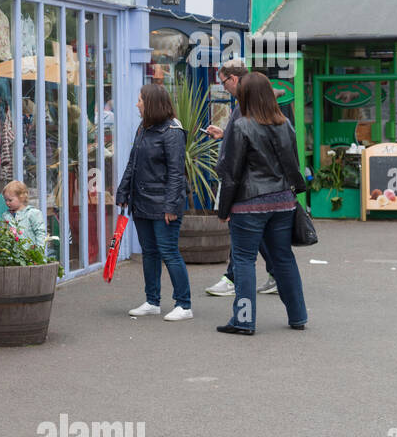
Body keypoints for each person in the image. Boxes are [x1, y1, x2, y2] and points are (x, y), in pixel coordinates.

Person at [214, 73, 308, 335]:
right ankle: (298, 316)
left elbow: (231, 172)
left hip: (249, 204)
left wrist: (224, 210)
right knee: (283, 258)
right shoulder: (284, 124)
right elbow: (293, 165)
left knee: (244, 260)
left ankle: (243, 320)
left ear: (246, 96)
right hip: (282, 202)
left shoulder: (241, 125)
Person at [116, 83, 193, 321]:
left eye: (140, 99)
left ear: (150, 103)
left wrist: (171, 207)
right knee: (149, 252)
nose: (136, 103)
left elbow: (176, 173)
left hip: (163, 204)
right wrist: (123, 193)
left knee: (169, 252)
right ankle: (152, 301)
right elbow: (133, 163)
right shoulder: (144, 128)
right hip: (142, 202)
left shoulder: (172, 132)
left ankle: (184, 304)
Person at [204, 61, 279, 297]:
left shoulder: (245, 105)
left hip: (247, 184)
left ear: (234, 79)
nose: (223, 86)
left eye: (223, 81)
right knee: (259, 235)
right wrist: (224, 135)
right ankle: (275, 274)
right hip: (261, 186)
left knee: (243, 232)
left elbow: (250, 144)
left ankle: (233, 279)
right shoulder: (250, 105)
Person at [2, 180, 48, 252]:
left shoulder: (32, 213)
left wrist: (39, 254)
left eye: (10, 200)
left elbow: (40, 234)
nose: (7, 203)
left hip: (30, 255)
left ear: (21, 197)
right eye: (5, 200)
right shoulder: (6, 216)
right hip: (12, 256)